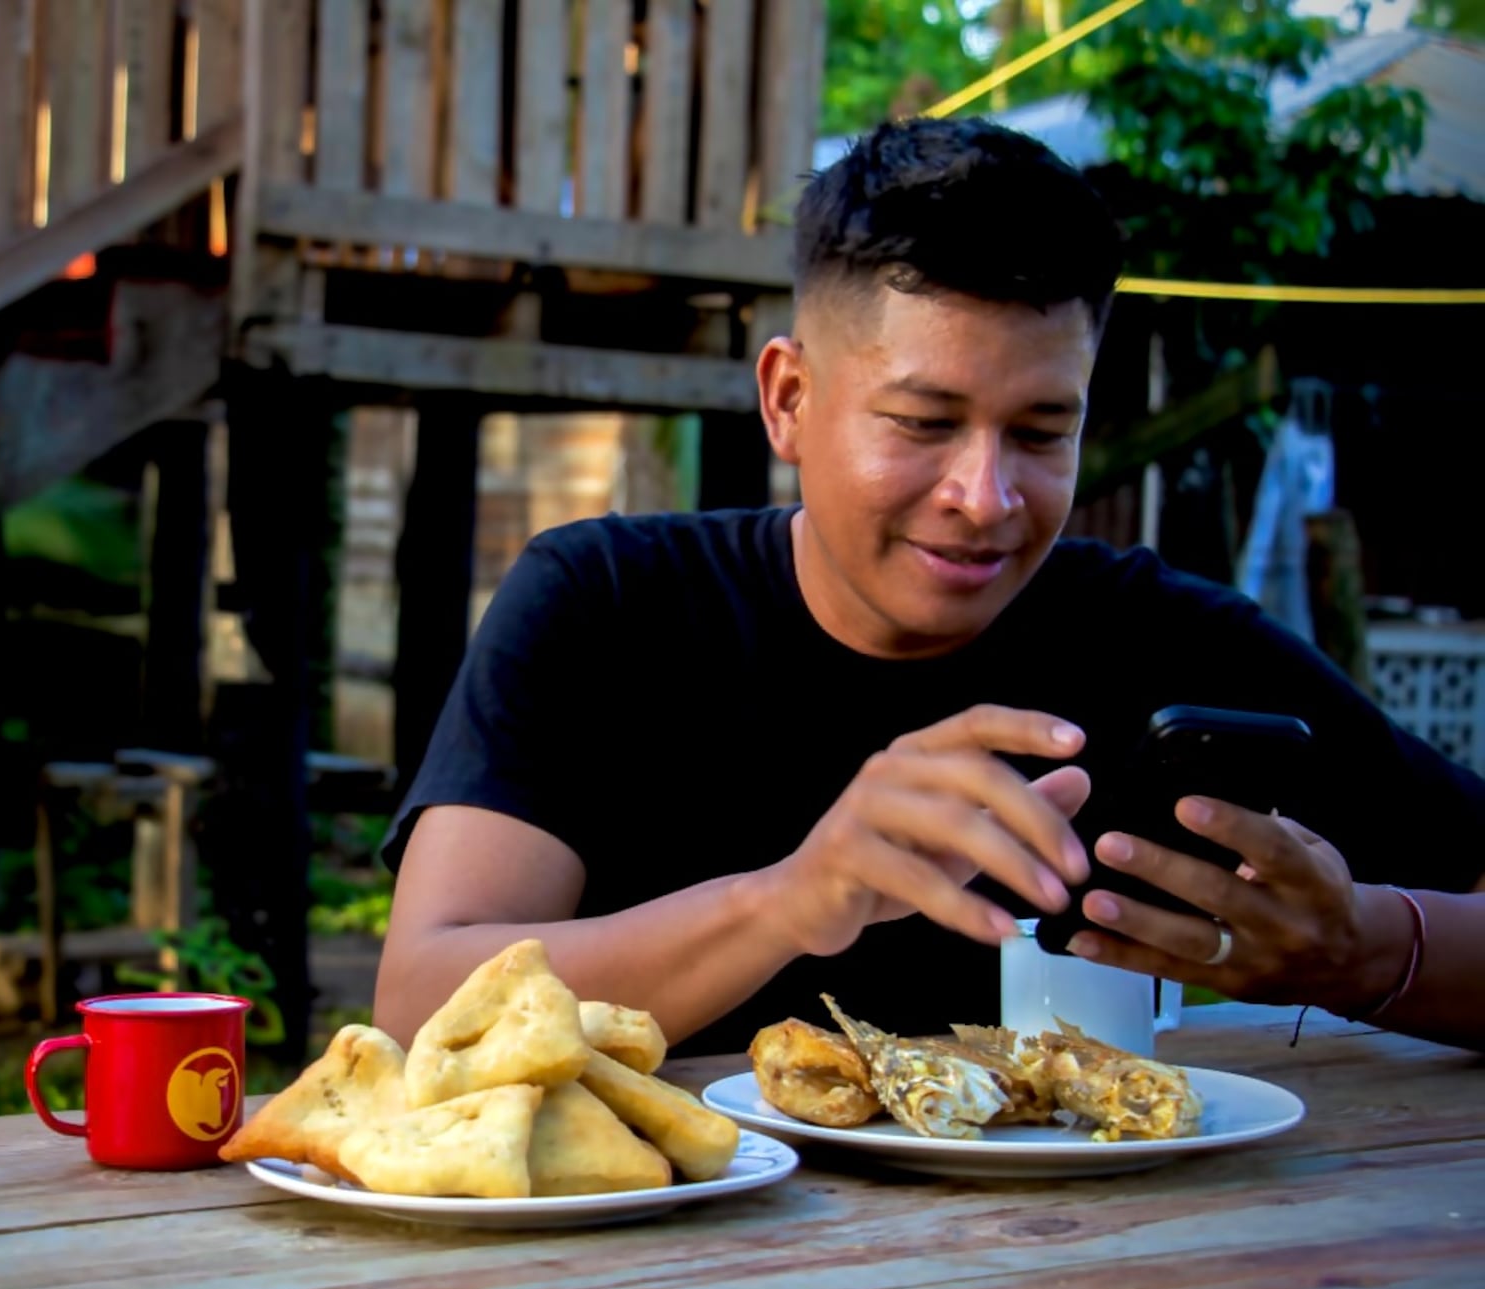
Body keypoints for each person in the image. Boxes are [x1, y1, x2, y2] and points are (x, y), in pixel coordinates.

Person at [371, 116, 1485, 1056]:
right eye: (921, 422)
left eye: (1040, 432)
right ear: (789, 400)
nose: (985, 496)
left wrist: (1367, 949)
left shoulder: (1158, 633)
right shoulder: (605, 602)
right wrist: (794, 898)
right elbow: (422, 1003)